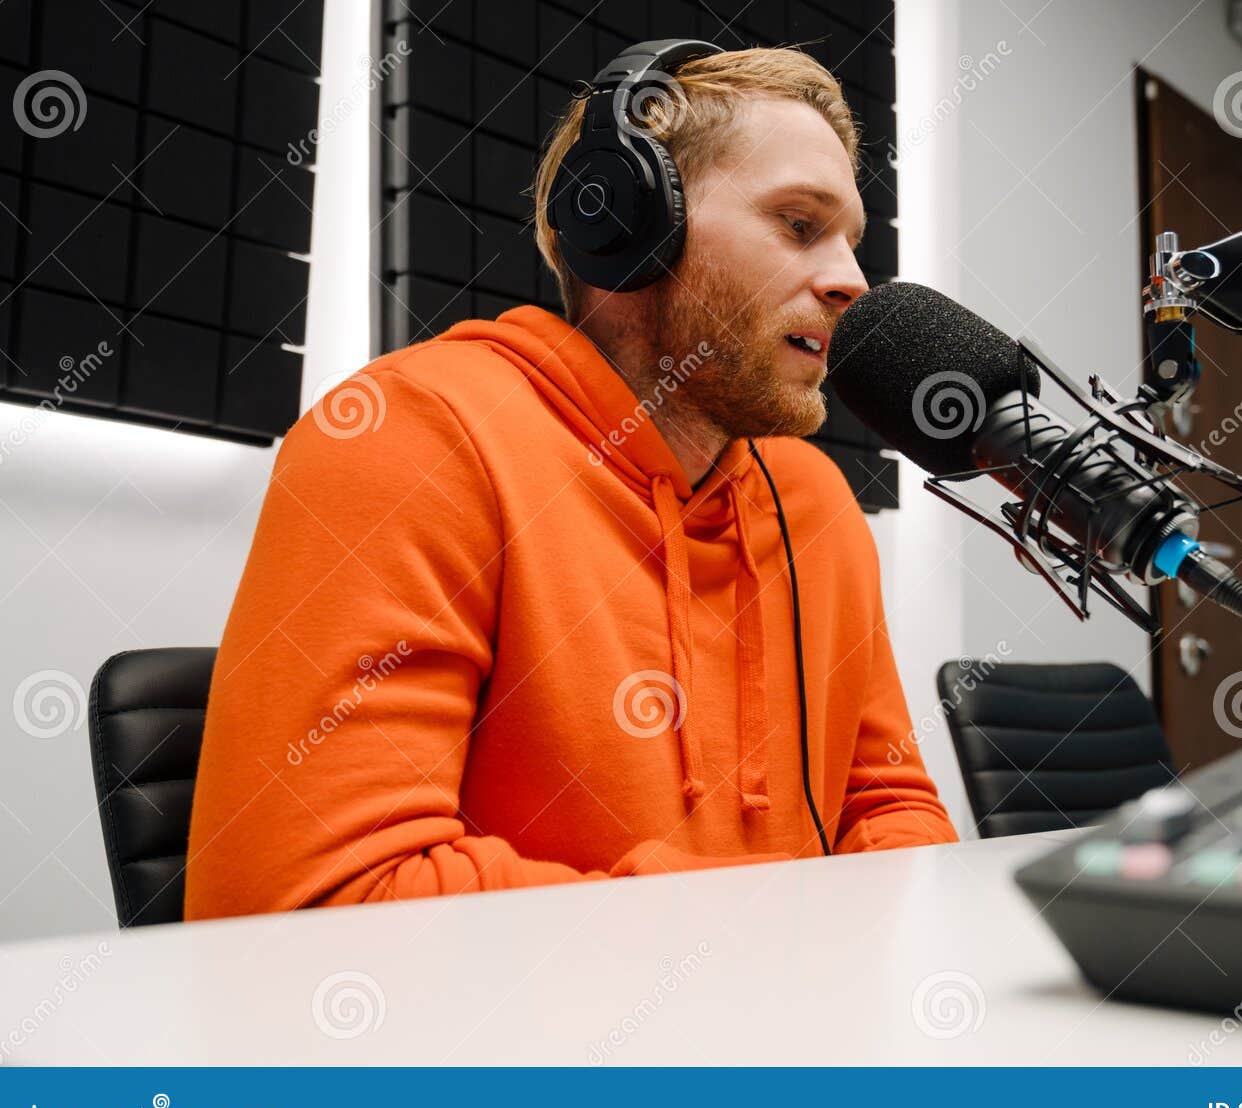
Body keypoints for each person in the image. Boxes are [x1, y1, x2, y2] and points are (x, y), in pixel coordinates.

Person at [184, 43, 957, 920]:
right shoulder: (412, 441)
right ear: (627, 226)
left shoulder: (812, 502)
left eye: (852, 240)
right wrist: (731, 940)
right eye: (799, 224)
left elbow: (889, 809)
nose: (853, 280)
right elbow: (306, 900)